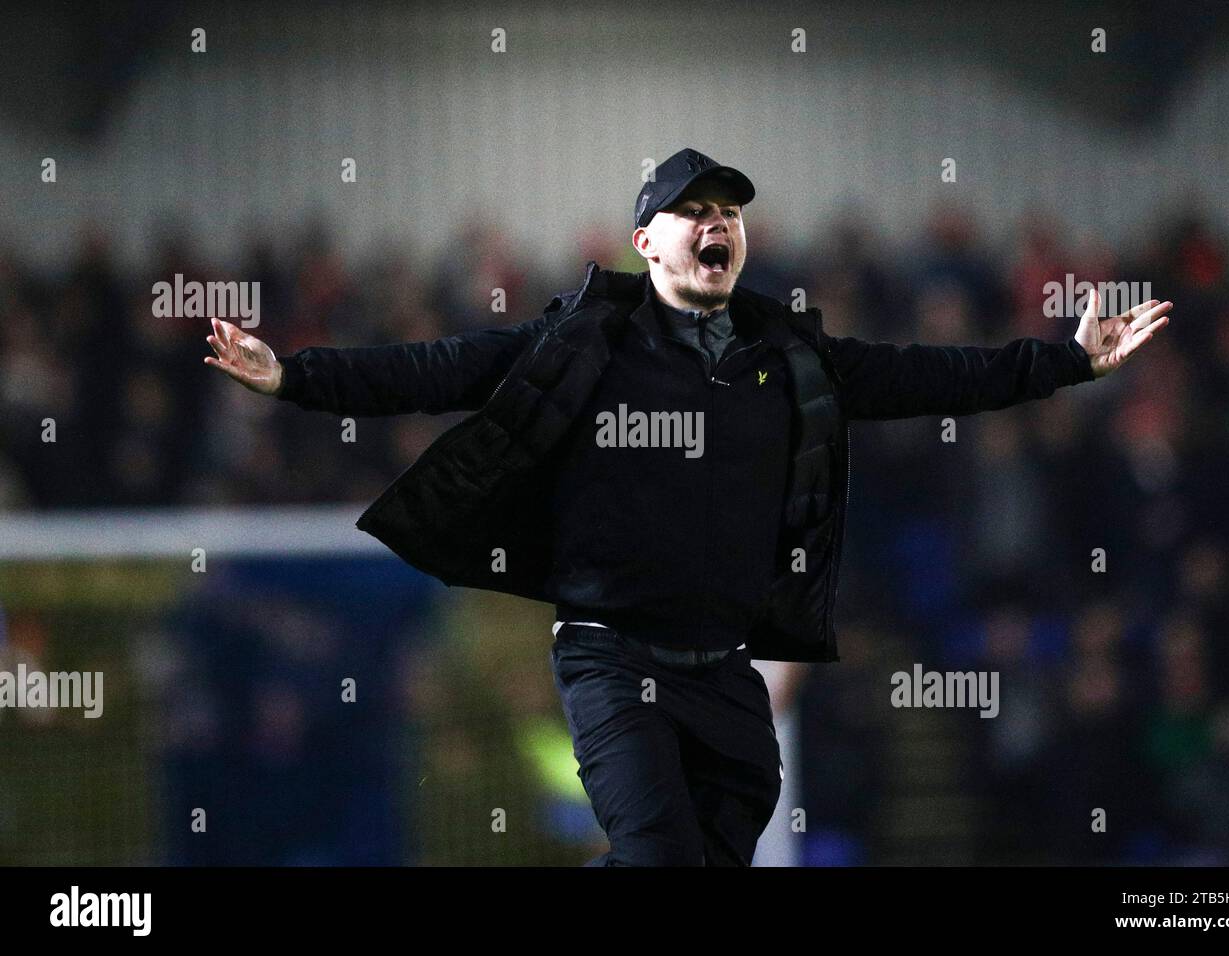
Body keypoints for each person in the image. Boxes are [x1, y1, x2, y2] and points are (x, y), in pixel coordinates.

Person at [205, 147, 1172, 865]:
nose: (719, 224)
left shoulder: (789, 358)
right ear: (646, 243)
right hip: (611, 658)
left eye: (730, 212)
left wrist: (1068, 363)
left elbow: (926, 375)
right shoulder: (582, 344)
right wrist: (293, 377)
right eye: (694, 210)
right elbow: (439, 367)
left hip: (725, 672)